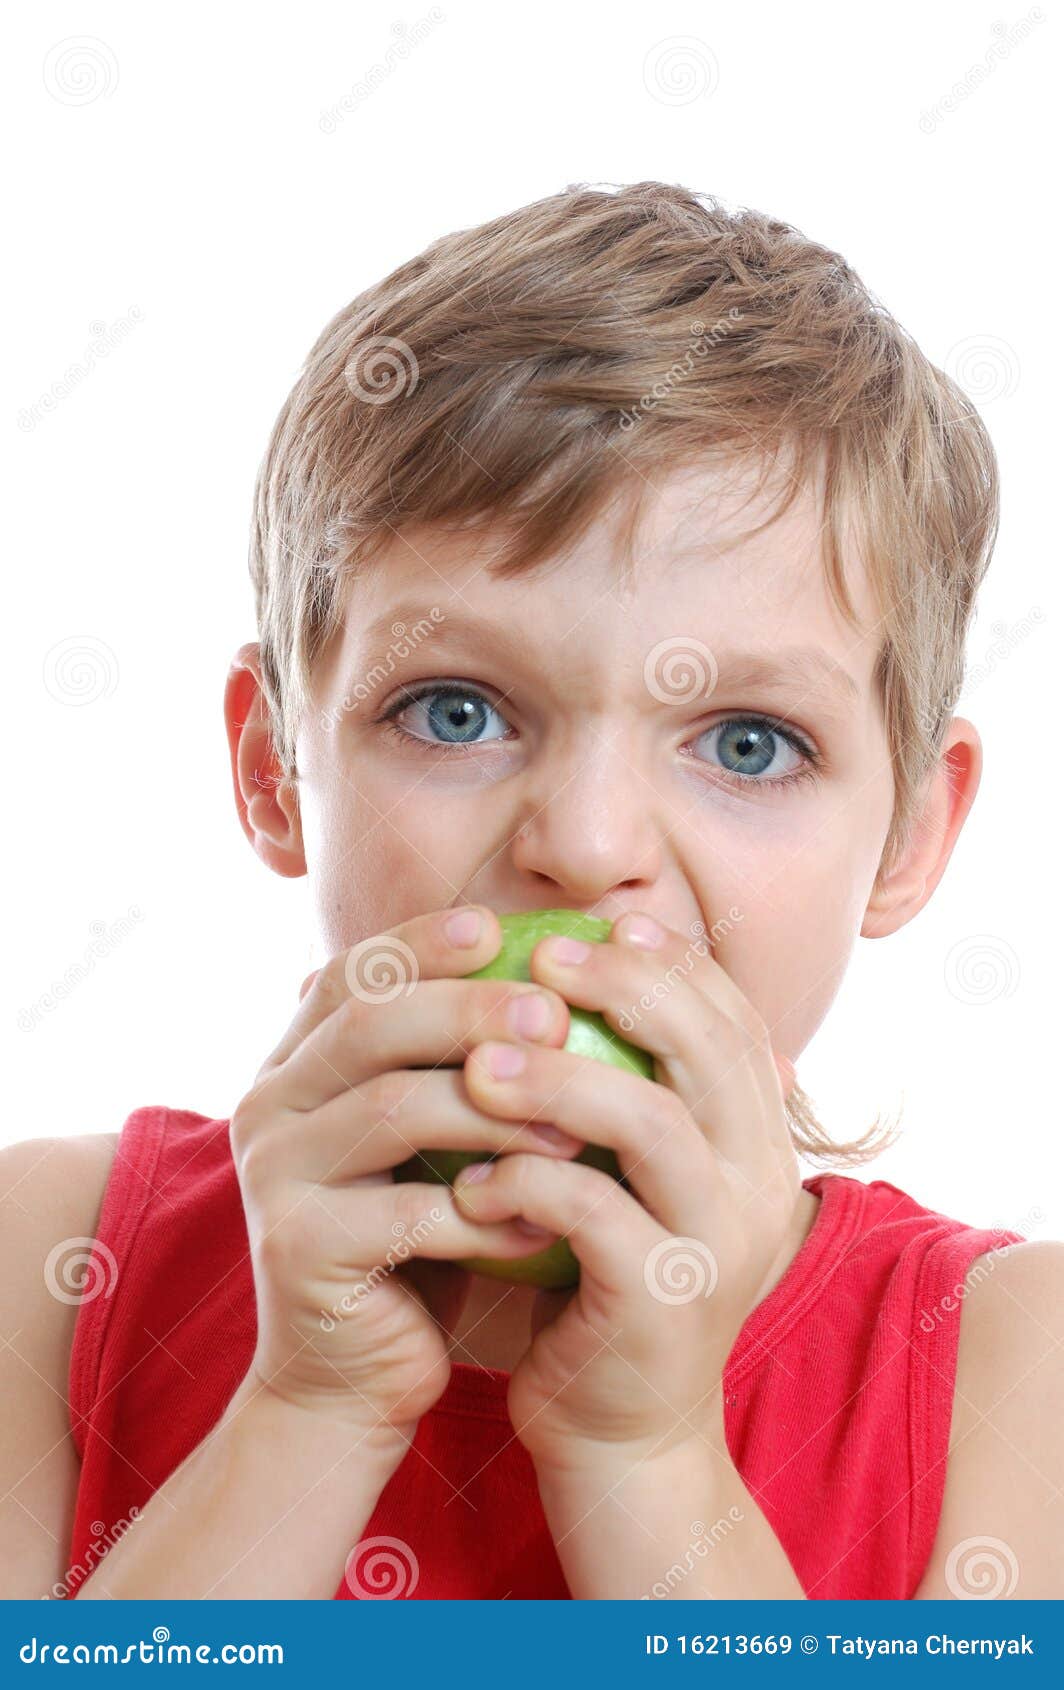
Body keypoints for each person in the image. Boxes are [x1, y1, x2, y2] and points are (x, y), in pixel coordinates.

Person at [4, 181, 1061, 1602]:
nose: (584, 840)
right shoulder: (51, 1267)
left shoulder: (1011, 1366)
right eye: (454, 711)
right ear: (271, 770)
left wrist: (644, 1454)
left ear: (911, 834)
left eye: (749, 743)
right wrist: (308, 1413)